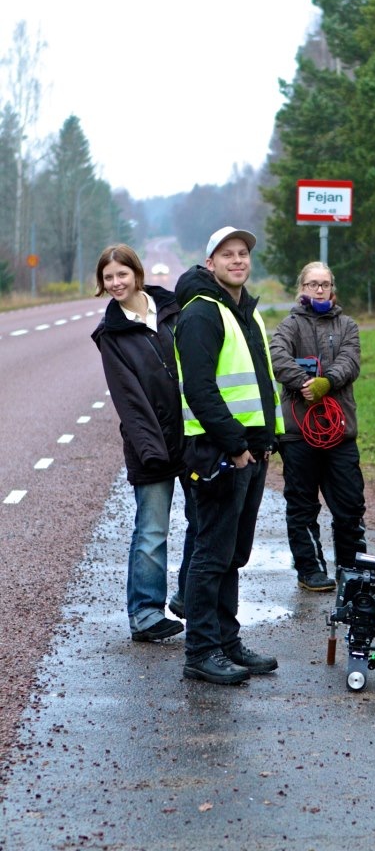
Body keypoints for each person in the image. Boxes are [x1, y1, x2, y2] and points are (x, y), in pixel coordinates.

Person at [174, 226, 284, 685]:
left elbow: (256, 384)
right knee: (211, 553)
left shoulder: (245, 311)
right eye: (228, 254)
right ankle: (201, 650)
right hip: (217, 452)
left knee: (233, 553)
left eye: (243, 254)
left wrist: (264, 443)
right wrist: (236, 446)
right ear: (210, 263)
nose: (238, 261)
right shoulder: (201, 314)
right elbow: (199, 390)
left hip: (251, 452)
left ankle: (226, 640)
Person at [92, 244, 197, 642]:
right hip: (149, 445)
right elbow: (130, 401)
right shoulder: (111, 336)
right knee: (152, 530)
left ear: (136, 273)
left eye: (122, 274)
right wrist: (153, 451)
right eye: (108, 278)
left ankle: (189, 596)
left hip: (192, 437)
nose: (116, 283)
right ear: (102, 284)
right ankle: (146, 613)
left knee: (203, 520)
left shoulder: (173, 310)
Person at [269, 261, 367, 592]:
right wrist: (305, 384)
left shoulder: (348, 325)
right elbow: (278, 360)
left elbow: (351, 360)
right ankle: (310, 569)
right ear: (302, 288)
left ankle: (352, 568)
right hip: (298, 433)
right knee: (302, 504)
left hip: (340, 431)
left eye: (324, 284)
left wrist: (327, 382)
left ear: (333, 288)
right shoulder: (288, 326)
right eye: (313, 284)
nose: (320, 289)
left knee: (350, 504)